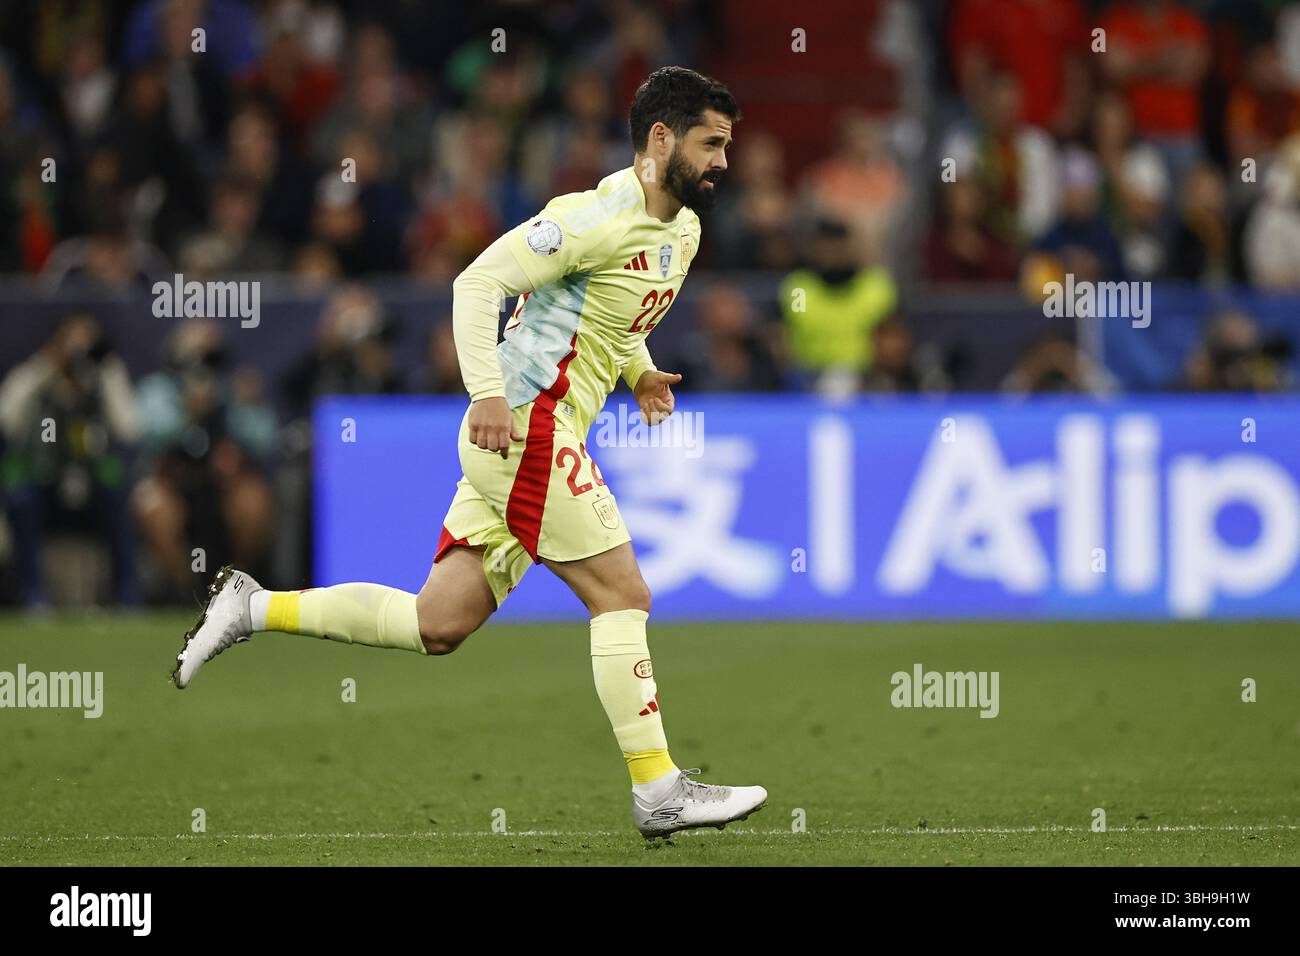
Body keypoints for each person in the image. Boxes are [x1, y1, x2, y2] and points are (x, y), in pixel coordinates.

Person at [170, 67, 767, 840]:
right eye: (711, 143)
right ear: (661, 139)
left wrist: (640, 370)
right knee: (622, 595)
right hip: (523, 427)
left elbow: (609, 319)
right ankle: (658, 792)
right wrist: (486, 392)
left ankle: (250, 606)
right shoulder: (593, 218)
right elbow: (476, 282)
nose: (724, 161)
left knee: (436, 621)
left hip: (544, 433)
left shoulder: (681, 227)